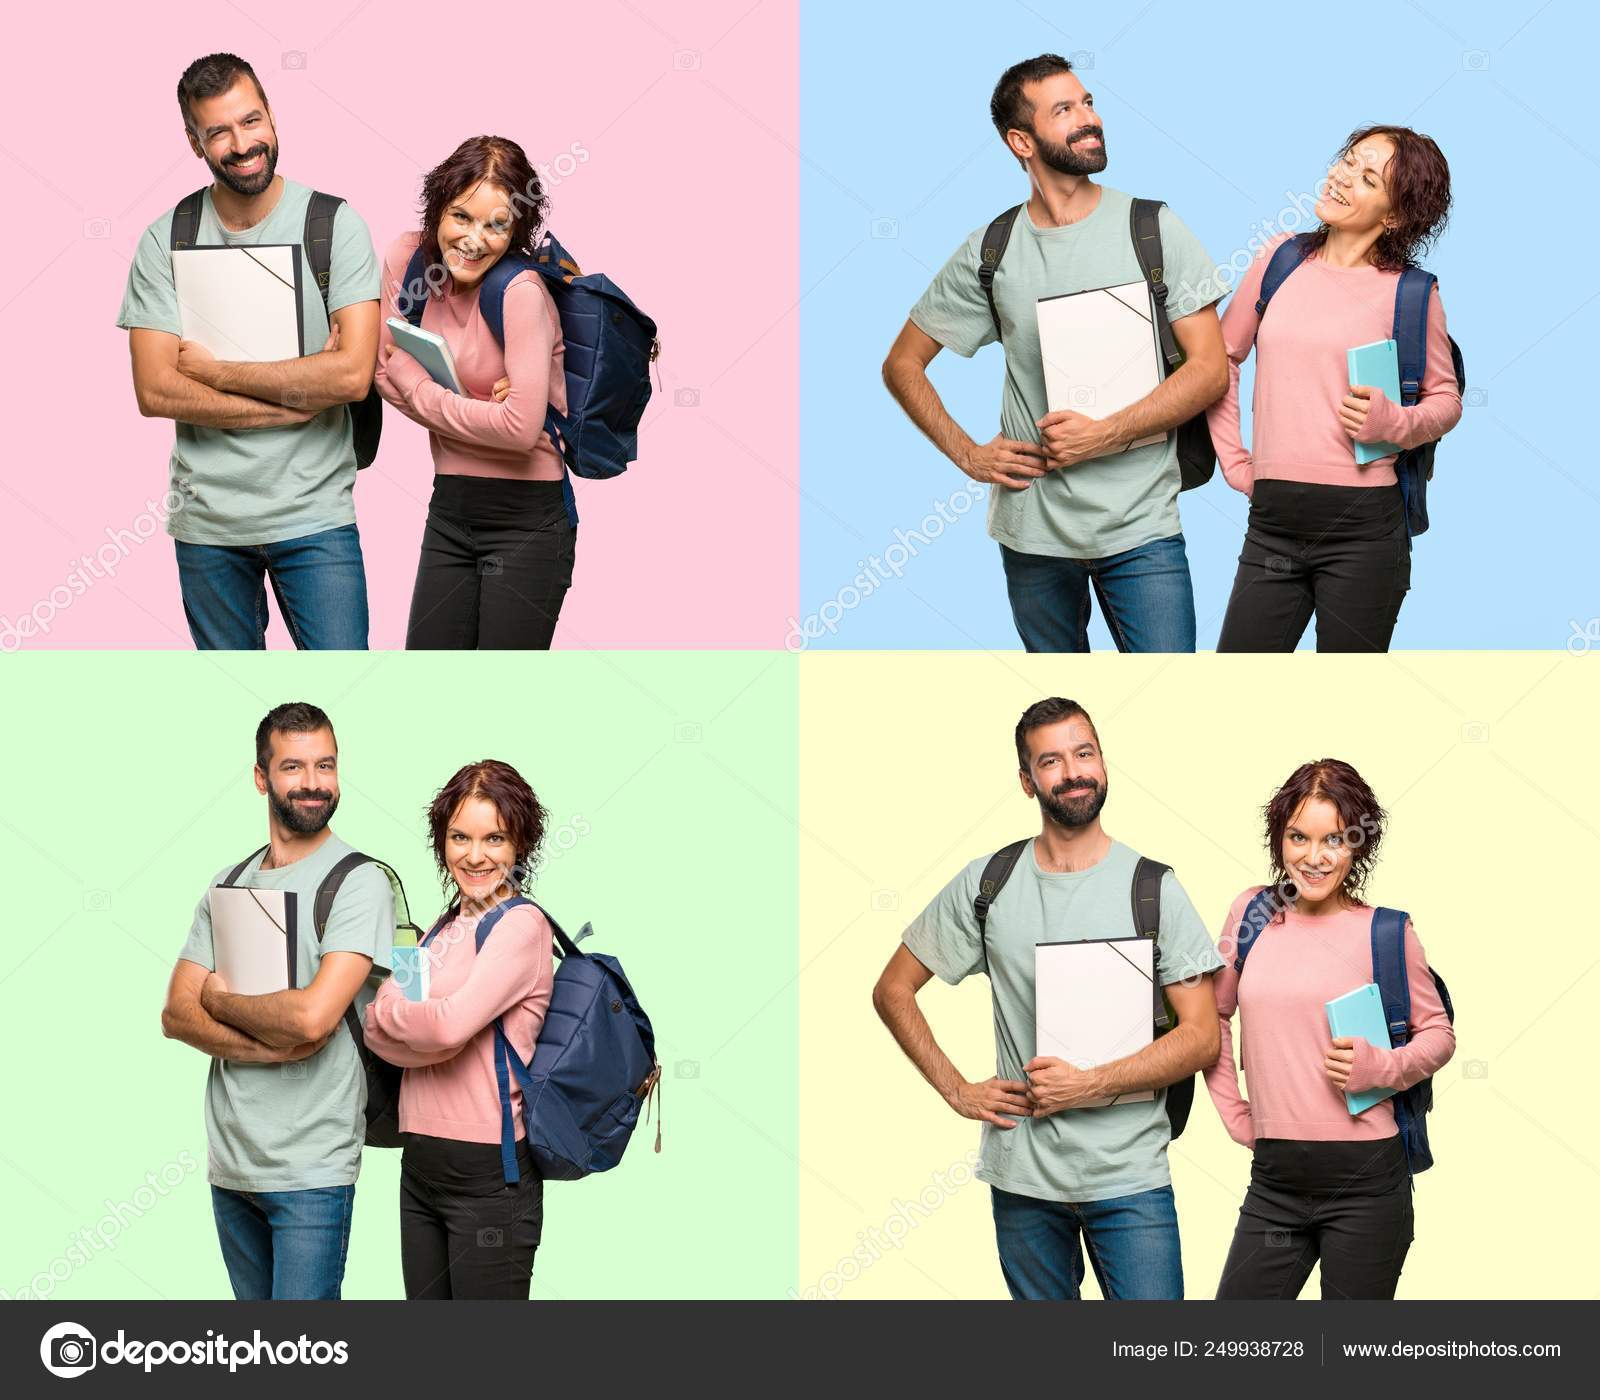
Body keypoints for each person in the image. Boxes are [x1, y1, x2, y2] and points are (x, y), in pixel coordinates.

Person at [872, 698, 1223, 1299]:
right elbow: (893, 990)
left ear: (1103, 763)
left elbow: (1202, 1037)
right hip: (1022, 1180)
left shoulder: (1154, 888)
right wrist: (957, 1090)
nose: (1073, 771)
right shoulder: (988, 883)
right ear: (1027, 780)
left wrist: (1089, 1084)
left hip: (1130, 1179)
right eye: (1051, 760)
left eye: (1084, 753)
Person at [883, 54, 1228, 653]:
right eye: (1064, 109)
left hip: (1141, 528)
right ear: (1021, 141)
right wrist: (968, 455)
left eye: (1088, 102)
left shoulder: (1153, 228)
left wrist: (1105, 433)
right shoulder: (990, 251)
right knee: (1055, 697)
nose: (1088, 118)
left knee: (1170, 691)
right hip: (1031, 536)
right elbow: (902, 365)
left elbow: (1210, 371)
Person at [117, 53, 381, 651]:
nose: (242, 145)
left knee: (344, 690)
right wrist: (292, 402)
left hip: (315, 517)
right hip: (207, 525)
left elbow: (350, 377)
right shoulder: (165, 239)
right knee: (232, 697)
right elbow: (155, 390)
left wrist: (212, 372)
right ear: (195, 143)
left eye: (251, 120)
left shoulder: (334, 225)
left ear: (271, 116)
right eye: (218, 132)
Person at [160, 703, 394, 1299]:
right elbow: (176, 1014)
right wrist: (268, 1047)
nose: (314, 782)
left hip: (313, 1169)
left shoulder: (359, 881)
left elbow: (313, 1018)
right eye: (294, 767)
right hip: (231, 1166)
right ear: (261, 777)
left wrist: (220, 999)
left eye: (326, 765)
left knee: (300, 1349)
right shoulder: (228, 883)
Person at [1204, 760, 1454, 1299]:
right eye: (1298, 837)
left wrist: (1383, 1067)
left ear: (1357, 845)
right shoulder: (1251, 914)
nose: (1313, 858)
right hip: (1274, 1181)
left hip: (1368, 1182)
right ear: (1279, 838)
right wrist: (1235, 1113)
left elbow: (1438, 1032)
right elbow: (1214, 1016)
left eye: (1334, 840)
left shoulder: (1388, 932)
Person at [1207, 126, 1462, 652]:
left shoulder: (1413, 293)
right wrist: (1234, 461)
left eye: (1367, 178)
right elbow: (1222, 357)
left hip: (1365, 531)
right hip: (1271, 523)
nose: (1341, 178)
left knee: (1346, 697)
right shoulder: (1280, 259)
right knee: (1236, 686)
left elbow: (1446, 399)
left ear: (1395, 216)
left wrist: (1396, 423)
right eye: (1348, 161)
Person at [364, 760, 554, 1299]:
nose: (474, 856)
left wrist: (419, 1029)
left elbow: (446, 1028)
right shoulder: (439, 928)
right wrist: (422, 1028)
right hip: (419, 1170)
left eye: (494, 838)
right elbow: (376, 1023)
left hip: (488, 1180)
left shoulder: (522, 926)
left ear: (520, 844)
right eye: (459, 837)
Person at [374, 137, 573, 650]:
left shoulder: (521, 292)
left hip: (527, 520)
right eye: (461, 216)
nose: (474, 240)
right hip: (450, 509)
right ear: (438, 207)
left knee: (499, 692)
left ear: (517, 229)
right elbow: (379, 371)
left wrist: (416, 382)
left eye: (496, 225)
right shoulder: (409, 260)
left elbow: (520, 431)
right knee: (428, 685)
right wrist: (480, 410)